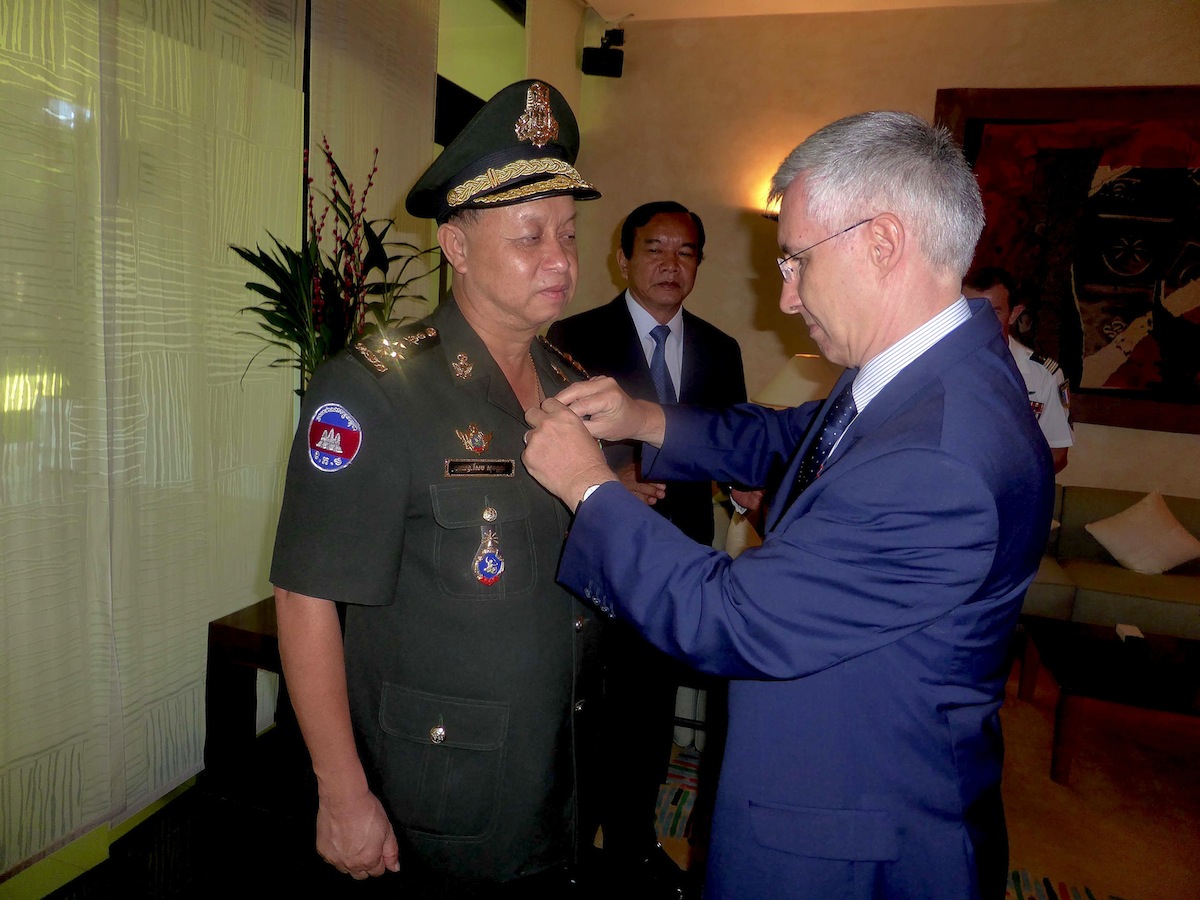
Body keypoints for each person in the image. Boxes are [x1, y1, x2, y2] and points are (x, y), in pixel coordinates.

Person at [523, 111, 1054, 900]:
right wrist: (646, 419)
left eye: (797, 261)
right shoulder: (928, 373)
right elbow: (789, 438)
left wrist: (587, 487)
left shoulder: (937, 459)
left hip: (851, 833)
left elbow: (730, 618)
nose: (786, 294)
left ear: (883, 242)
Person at [269, 80, 604, 898]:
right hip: (440, 797)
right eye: (529, 237)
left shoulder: (574, 384)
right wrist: (342, 794)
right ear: (455, 247)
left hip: (559, 773)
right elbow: (306, 597)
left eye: (567, 232)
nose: (559, 259)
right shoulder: (374, 390)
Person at [547, 201, 747, 894]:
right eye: (655, 248)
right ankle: (573, 852)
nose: (670, 263)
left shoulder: (722, 350)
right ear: (623, 258)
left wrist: (750, 489)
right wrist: (605, 481)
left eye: (686, 251)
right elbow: (547, 438)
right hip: (599, 551)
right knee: (587, 710)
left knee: (651, 711)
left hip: (682, 561)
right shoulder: (573, 335)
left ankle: (633, 848)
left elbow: (733, 449)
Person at [964, 266, 1073, 472]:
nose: (980, 320)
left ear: (1014, 314)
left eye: (993, 312)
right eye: (971, 310)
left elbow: (1057, 453)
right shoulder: (935, 366)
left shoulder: (1043, 375)